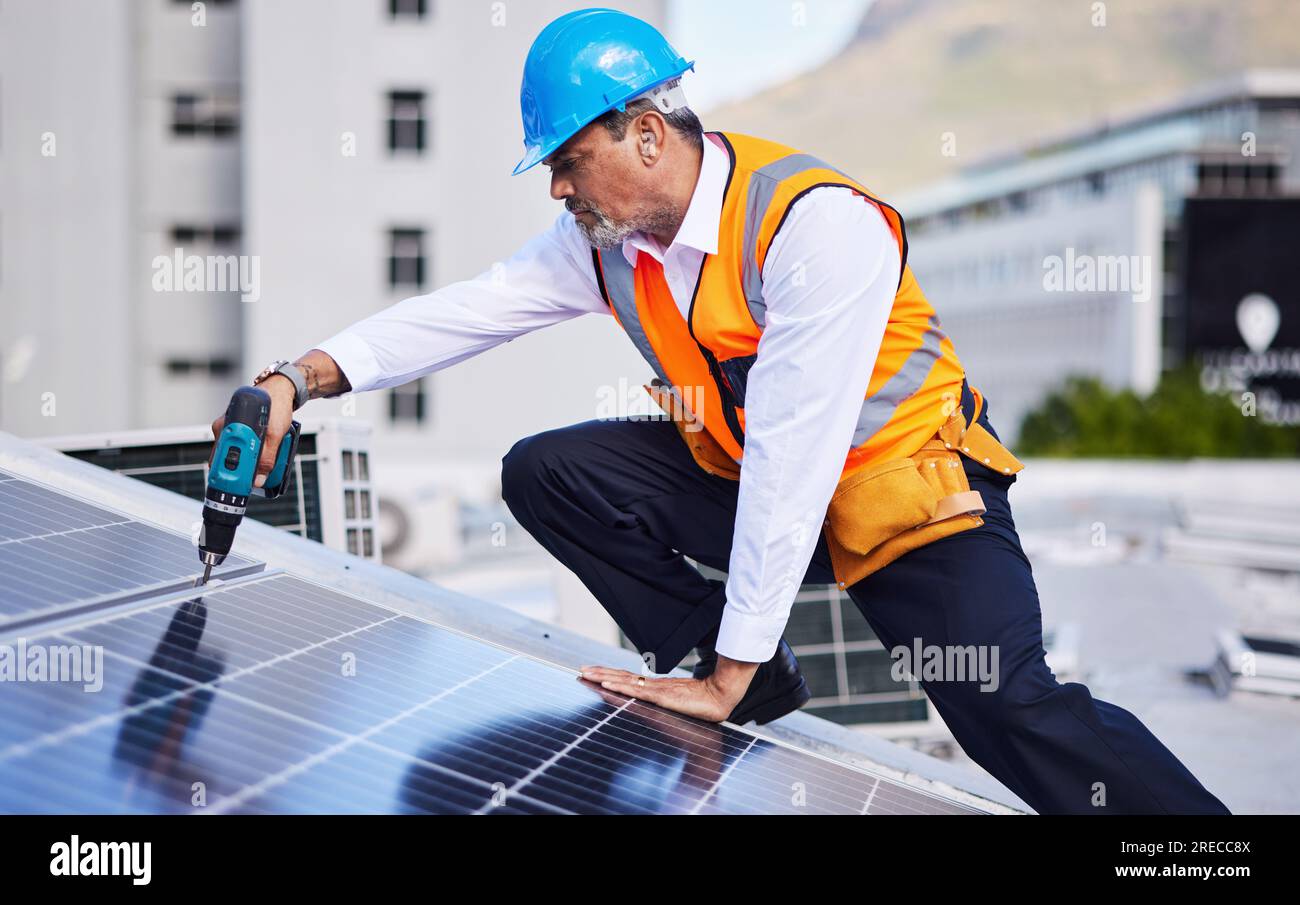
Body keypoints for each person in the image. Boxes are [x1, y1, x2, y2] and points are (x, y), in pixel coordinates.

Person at [214, 8, 1229, 814]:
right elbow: (468, 311)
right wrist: (297, 378)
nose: (557, 187)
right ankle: (754, 672)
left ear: (646, 134)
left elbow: (796, 448)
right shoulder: (605, 244)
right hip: (756, 489)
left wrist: (723, 677)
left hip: (910, 499)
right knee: (546, 471)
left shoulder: (815, 226)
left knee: (1009, 710)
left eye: (566, 160)